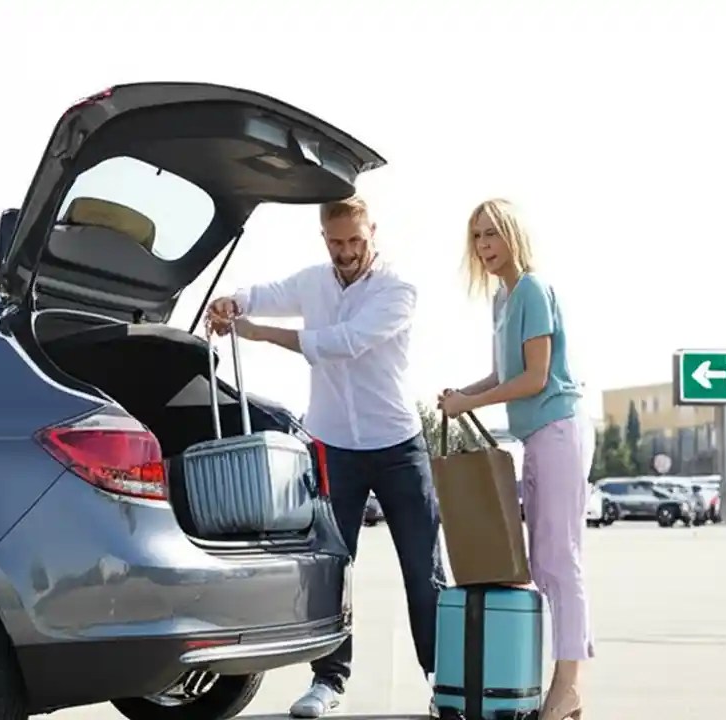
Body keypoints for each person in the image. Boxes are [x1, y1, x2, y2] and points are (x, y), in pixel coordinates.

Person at [205, 195, 446, 719]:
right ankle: (328, 680)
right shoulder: (314, 280)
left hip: (398, 445)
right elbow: (265, 294)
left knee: (423, 570)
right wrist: (231, 302)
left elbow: (345, 342)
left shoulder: (397, 289)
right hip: (334, 446)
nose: (347, 251)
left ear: (372, 232)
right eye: (337, 242)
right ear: (324, 238)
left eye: (356, 240)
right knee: (332, 569)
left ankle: (443, 680)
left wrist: (257, 332)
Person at [438, 198, 595, 720]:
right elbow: (502, 373)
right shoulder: (502, 302)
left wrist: (473, 403)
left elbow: (534, 378)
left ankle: (570, 685)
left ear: (513, 237)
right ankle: (547, 681)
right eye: (477, 237)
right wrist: (460, 394)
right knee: (536, 561)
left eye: (492, 235)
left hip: (557, 427)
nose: (484, 246)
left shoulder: (531, 289)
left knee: (559, 560)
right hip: (535, 436)